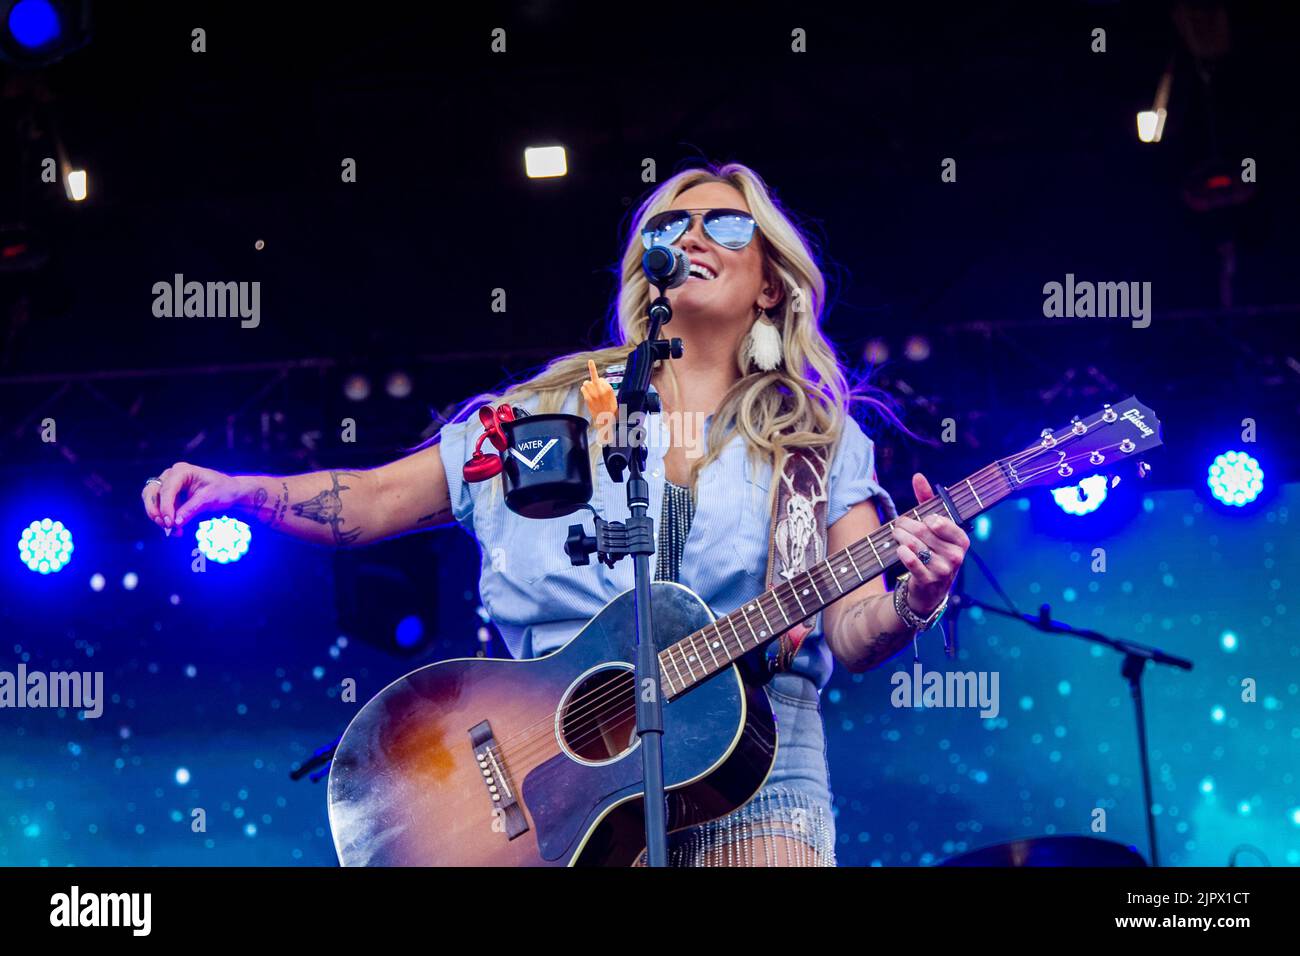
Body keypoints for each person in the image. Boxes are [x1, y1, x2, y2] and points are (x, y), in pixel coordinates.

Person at [141, 162, 970, 867]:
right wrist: (244, 492)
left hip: (759, 777)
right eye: (669, 225)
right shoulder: (544, 411)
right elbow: (381, 499)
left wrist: (916, 598)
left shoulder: (816, 441)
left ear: (772, 283)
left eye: (725, 225)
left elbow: (857, 627)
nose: (691, 236)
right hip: (551, 788)